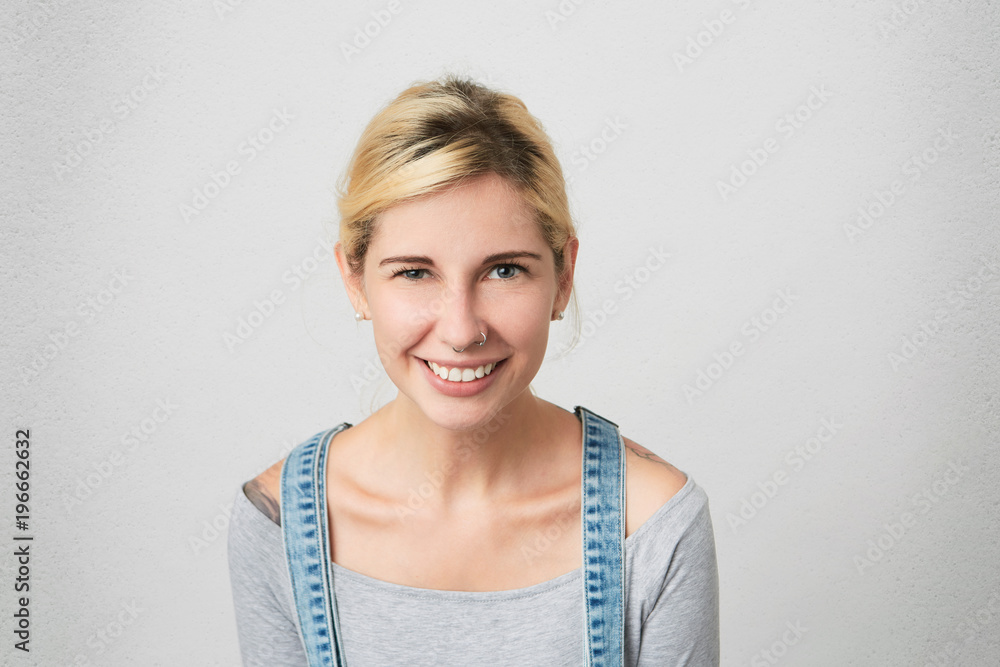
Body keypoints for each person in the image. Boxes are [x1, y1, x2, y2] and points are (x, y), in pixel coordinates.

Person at [227, 75, 719, 666]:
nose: (462, 331)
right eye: (414, 273)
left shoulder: (654, 527)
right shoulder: (279, 523)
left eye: (504, 271)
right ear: (354, 281)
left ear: (563, 277)